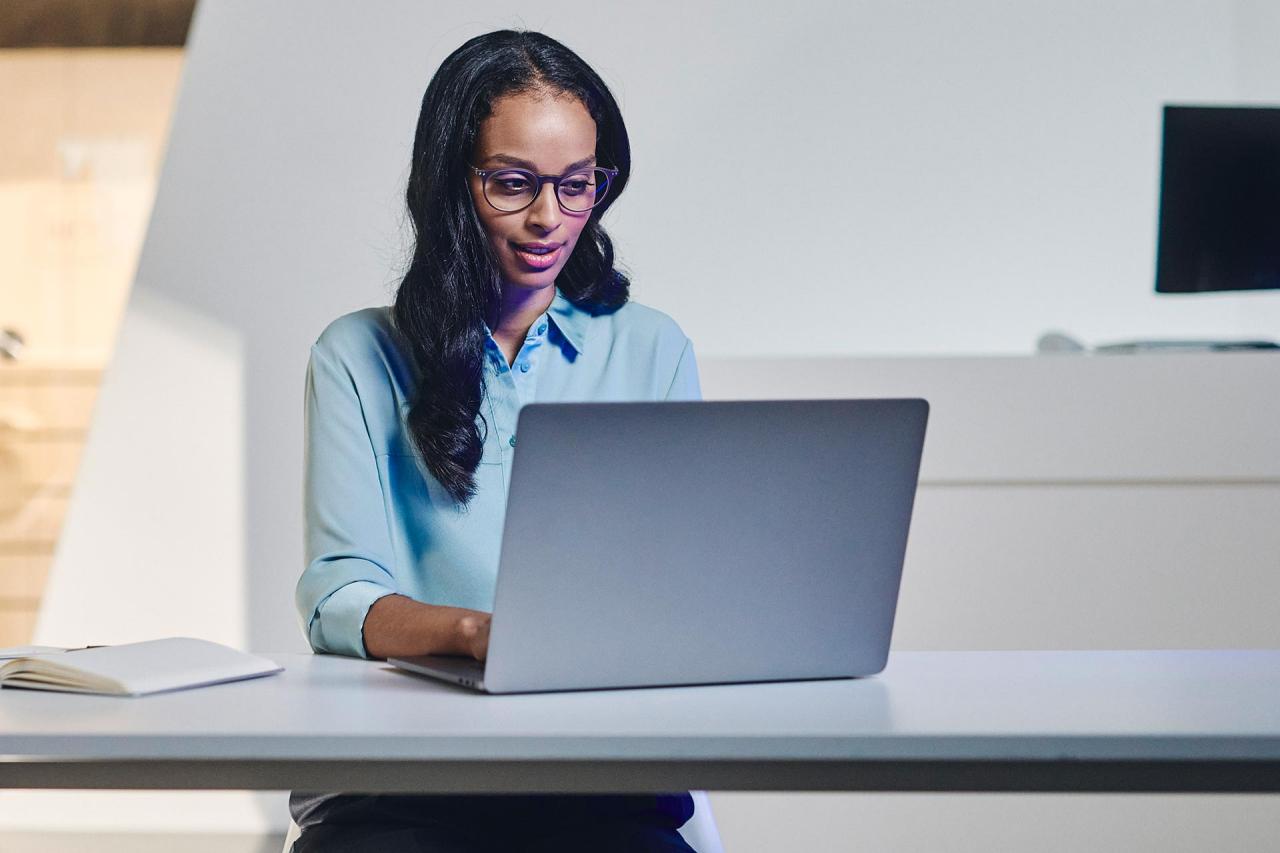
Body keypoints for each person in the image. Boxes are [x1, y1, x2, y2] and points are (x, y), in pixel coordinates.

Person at [289, 29, 701, 853]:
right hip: (404, 782)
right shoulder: (357, 355)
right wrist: (475, 633)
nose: (550, 217)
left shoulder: (651, 348)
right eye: (513, 183)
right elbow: (338, 597)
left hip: (599, 776)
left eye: (577, 185)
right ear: (451, 183)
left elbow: (681, 583)